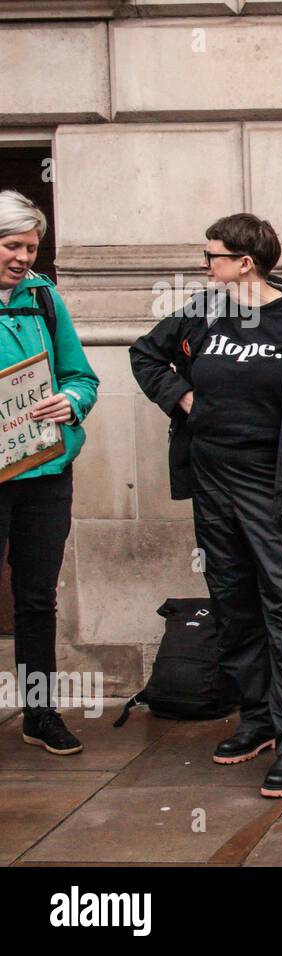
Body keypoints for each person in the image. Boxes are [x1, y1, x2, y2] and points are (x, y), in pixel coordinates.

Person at [130, 213, 282, 797]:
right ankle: (258, 720)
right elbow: (146, 356)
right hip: (213, 484)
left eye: (212, 256)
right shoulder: (202, 313)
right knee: (233, 602)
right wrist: (185, 399)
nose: (205, 266)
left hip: (274, 488)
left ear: (244, 262)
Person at [0, 190, 100, 754]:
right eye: (12, 245)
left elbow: (80, 375)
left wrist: (71, 401)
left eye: (31, 247)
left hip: (43, 472)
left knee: (37, 597)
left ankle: (39, 714)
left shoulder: (44, 298)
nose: (23, 257)